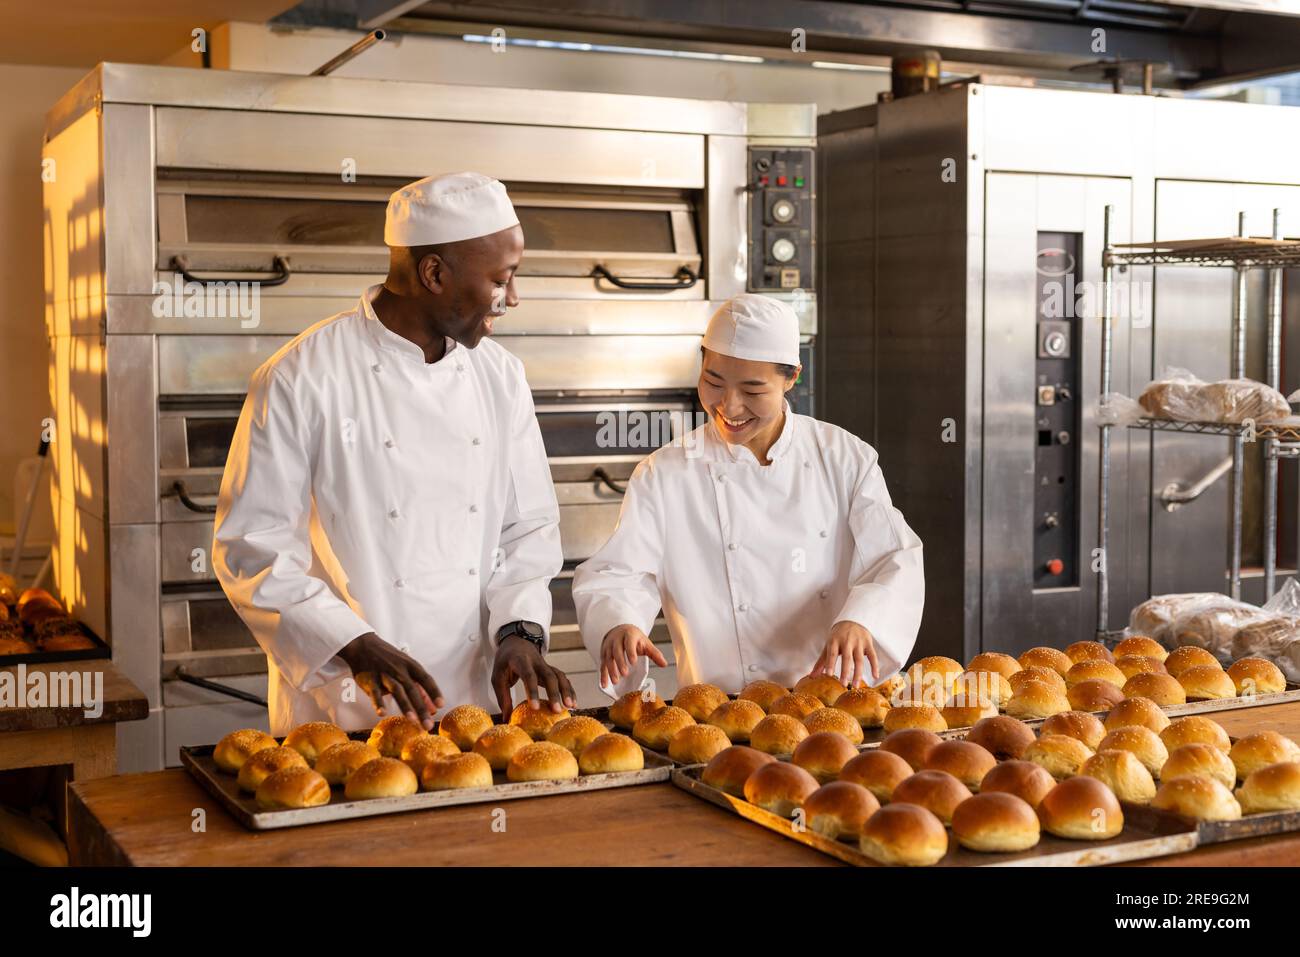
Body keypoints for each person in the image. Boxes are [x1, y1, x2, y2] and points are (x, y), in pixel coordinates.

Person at [214, 172, 573, 735]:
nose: (514, 299)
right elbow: (252, 548)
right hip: (345, 705)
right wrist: (352, 645)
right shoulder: (300, 377)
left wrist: (519, 634)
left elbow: (526, 529)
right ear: (433, 273)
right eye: (502, 279)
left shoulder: (500, 376)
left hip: (475, 709)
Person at [572, 293, 924, 696]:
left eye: (753, 390)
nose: (729, 405)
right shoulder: (664, 473)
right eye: (713, 382)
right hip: (718, 714)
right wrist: (620, 623)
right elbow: (619, 574)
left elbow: (894, 557)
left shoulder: (844, 457)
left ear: (792, 378)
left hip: (829, 706)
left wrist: (863, 619)